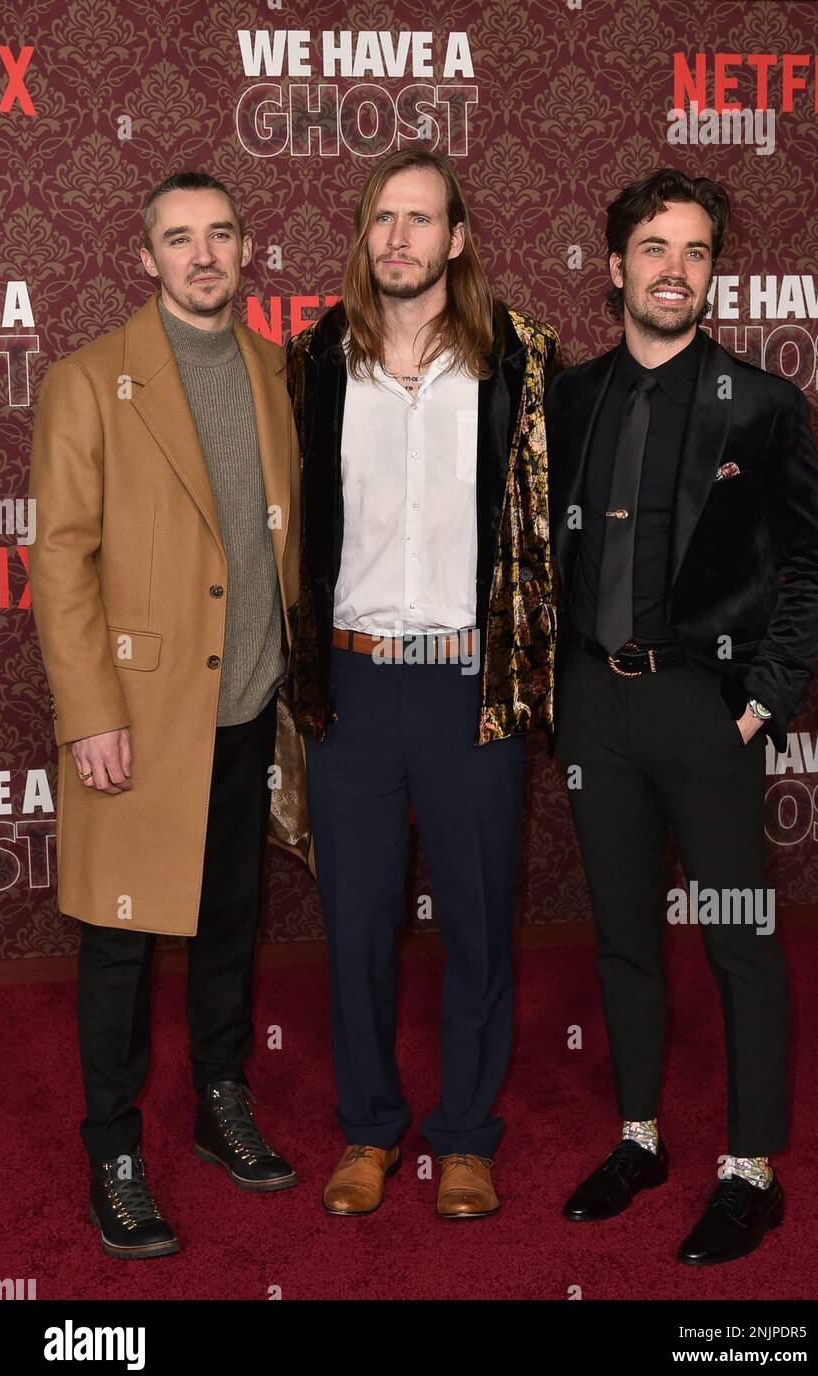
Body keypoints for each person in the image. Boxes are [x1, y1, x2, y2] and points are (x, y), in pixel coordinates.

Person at [546, 167, 818, 1264]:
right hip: (594, 709)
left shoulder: (759, 406)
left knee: (737, 940)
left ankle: (748, 1169)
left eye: (697, 251)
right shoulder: (570, 396)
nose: (674, 270)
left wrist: (760, 701)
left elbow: (813, 565)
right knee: (622, 935)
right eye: (654, 249)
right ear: (614, 266)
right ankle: (639, 1138)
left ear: (713, 270)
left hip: (702, 712)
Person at [28, 170, 309, 1259]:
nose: (202, 256)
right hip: (138, 721)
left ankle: (219, 1101)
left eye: (221, 235)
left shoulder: (275, 371)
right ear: (144, 258)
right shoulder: (90, 381)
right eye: (178, 239)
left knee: (229, 927)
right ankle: (115, 1150)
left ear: (246, 251)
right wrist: (91, 712)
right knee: (121, 943)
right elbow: (59, 560)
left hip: (246, 711)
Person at [286, 148, 561, 1218]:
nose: (398, 238)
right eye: (380, 219)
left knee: (479, 922)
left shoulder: (520, 364)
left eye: (420, 219)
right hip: (350, 690)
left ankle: (463, 1137)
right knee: (352, 923)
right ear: (363, 238)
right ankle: (367, 1130)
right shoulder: (312, 362)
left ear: (456, 239)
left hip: (467, 688)